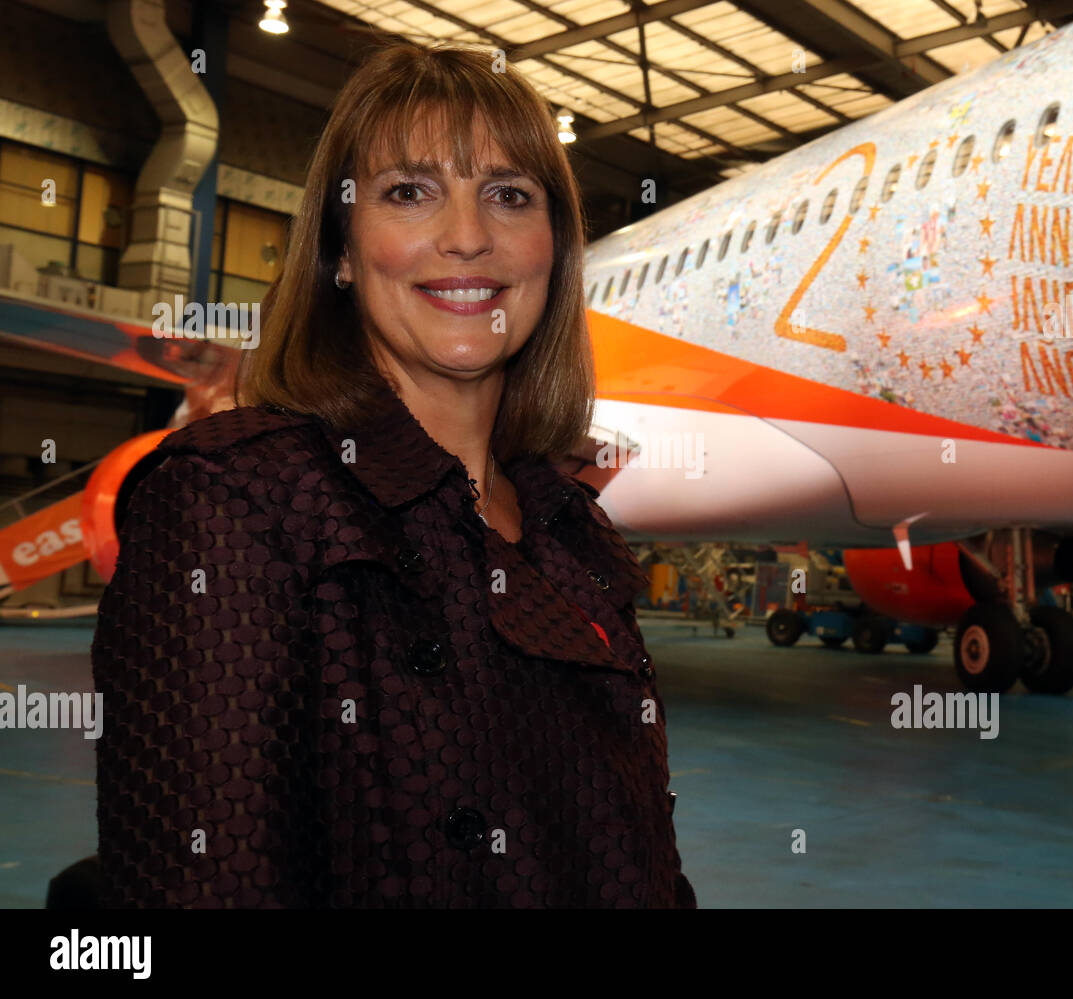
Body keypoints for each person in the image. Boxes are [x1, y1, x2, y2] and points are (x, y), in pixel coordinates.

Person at [91, 39, 696, 908]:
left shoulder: (577, 533)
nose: (466, 237)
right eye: (410, 192)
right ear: (341, 250)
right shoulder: (234, 501)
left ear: (553, 255)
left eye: (509, 195)